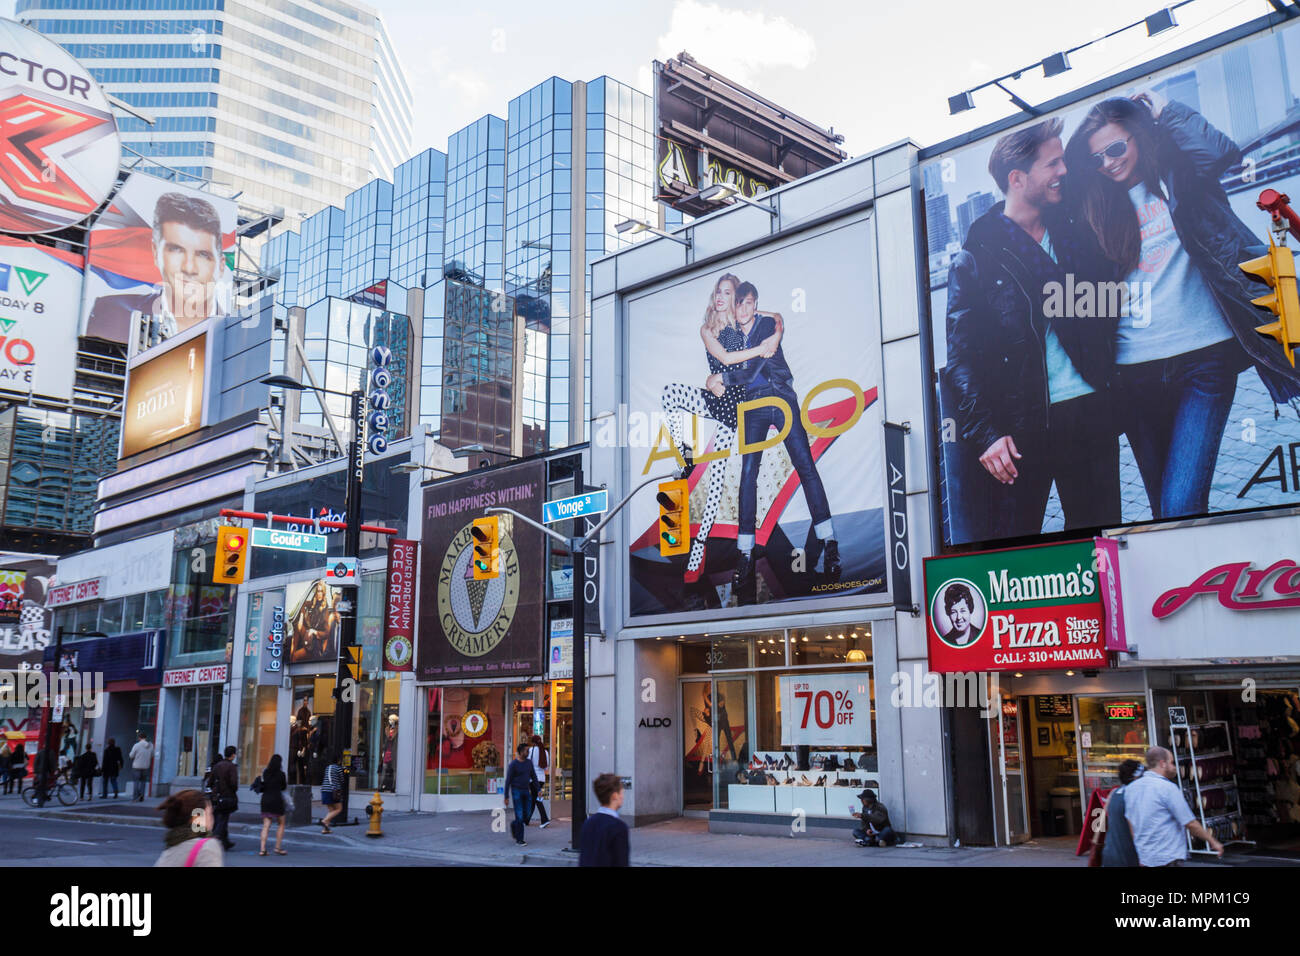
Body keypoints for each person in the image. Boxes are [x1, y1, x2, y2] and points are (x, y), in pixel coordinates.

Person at [1065, 92, 1300, 520]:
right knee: (1165, 515)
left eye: (1116, 148)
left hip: (1205, 362)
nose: (1109, 163)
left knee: (1182, 503)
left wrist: (1165, 108)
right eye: (1098, 158)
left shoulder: (1182, 178)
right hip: (1133, 372)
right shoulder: (1095, 207)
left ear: (1138, 135)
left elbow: (1220, 152)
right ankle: (1199, 586)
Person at [945, 118, 1121, 543]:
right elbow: (961, 359)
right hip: (1020, 430)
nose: (1064, 171)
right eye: (1052, 164)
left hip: (1092, 415)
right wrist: (987, 435)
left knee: (1104, 552)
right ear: (1018, 178)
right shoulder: (977, 255)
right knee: (1016, 555)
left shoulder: (1076, 228)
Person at [721, 281, 840, 603]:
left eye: (747, 304)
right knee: (748, 474)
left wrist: (723, 378)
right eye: (739, 304)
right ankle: (744, 554)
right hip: (752, 408)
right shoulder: (733, 336)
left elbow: (751, 370)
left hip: (780, 397)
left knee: (805, 466)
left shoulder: (765, 326)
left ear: (755, 303)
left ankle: (829, 542)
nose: (743, 310)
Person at [660, 273, 779, 581]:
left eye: (728, 292)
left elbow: (777, 317)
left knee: (717, 481)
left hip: (738, 408)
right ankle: (684, 455)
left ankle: (698, 549)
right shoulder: (708, 329)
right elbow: (724, 357)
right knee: (671, 393)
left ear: (737, 297)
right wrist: (762, 348)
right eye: (718, 292)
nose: (721, 297)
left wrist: (775, 336)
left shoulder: (744, 322)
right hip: (716, 399)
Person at [86, 191, 230, 347]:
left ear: (221, 265)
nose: (189, 268)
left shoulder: (237, 336)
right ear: (155, 253)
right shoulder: (112, 312)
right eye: (176, 250)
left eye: (203, 255)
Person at [1124, 746, 1223, 865]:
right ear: (1162, 764)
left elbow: (1130, 822)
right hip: (1168, 857)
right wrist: (1212, 841)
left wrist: (1140, 852)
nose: (1175, 767)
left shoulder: (1131, 789)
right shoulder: (1167, 788)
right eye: (1172, 763)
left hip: (1146, 858)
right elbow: (1190, 823)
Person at [154, 789, 224, 867]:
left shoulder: (173, 842)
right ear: (197, 817)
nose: (212, 819)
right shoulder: (207, 847)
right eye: (209, 814)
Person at [1093, 759, 1143, 867]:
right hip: (1127, 854)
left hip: (1110, 851)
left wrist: (1095, 840)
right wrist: (1142, 854)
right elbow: (1133, 827)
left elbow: (1102, 817)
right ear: (1136, 777)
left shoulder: (1113, 792)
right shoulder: (1132, 795)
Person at [579, 772, 630, 867]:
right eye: (621, 793)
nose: (623, 797)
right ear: (615, 796)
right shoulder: (619, 827)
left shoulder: (588, 823)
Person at [256, 754, 289, 857]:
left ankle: (262, 849)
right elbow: (283, 787)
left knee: (266, 825)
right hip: (277, 800)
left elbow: (263, 783)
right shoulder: (282, 774)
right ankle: (278, 848)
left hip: (265, 799)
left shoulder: (266, 772)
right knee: (281, 823)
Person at [504, 743, 535, 846]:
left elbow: (533, 776)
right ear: (521, 752)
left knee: (527, 814)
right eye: (527, 751)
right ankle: (519, 839)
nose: (528, 753)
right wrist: (506, 796)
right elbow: (508, 780)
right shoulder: (513, 765)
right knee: (520, 815)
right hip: (516, 791)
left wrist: (538, 789)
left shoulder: (529, 763)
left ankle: (514, 824)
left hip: (526, 790)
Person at [209, 746, 239, 850]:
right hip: (227, 796)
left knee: (220, 817)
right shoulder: (231, 767)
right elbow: (234, 783)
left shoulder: (217, 766)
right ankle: (215, 838)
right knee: (223, 818)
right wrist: (233, 790)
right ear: (233, 755)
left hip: (217, 796)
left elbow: (210, 781)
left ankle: (225, 842)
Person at [939, 582, 982, 647]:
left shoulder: (981, 635)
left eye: (963, 611)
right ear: (948, 612)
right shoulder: (943, 642)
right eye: (953, 612)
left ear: (970, 609)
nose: (959, 617)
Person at [525, 734, 551, 829]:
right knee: (533, 799)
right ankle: (526, 820)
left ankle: (544, 819)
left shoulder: (531, 751)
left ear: (533, 742)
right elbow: (546, 766)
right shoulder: (545, 752)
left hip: (533, 779)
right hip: (542, 778)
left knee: (536, 799)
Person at [320, 752, 344, 833]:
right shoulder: (338, 768)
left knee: (331, 811)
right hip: (333, 792)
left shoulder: (328, 767)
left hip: (324, 790)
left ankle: (325, 829)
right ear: (338, 760)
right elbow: (342, 780)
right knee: (339, 809)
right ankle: (324, 820)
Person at [128, 732, 153, 802]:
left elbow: (131, 755)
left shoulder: (137, 745)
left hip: (136, 766)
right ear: (146, 737)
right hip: (145, 766)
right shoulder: (150, 746)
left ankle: (135, 797)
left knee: (136, 782)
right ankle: (142, 796)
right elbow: (152, 755)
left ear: (139, 738)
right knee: (143, 782)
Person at [289, 720, 308, 785]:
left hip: (296, 749)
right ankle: (295, 781)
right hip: (294, 749)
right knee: (296, 766)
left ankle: (297, 781)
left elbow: (301, 740)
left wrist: (301, 749)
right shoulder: (292, 729)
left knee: (298, 766)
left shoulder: (300, 730)